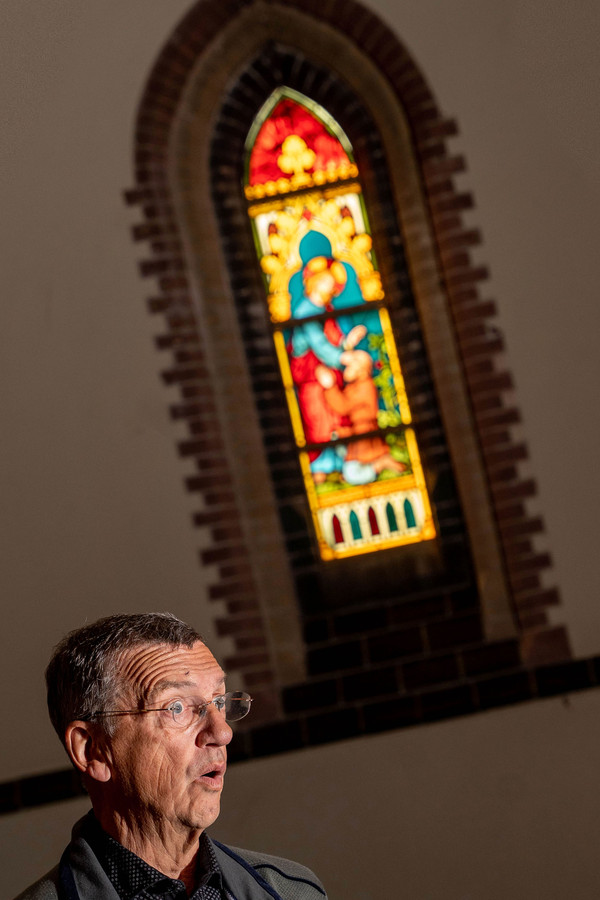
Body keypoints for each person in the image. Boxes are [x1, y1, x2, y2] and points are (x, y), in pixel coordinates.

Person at [14, 612, 327, 900]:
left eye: (218, 702)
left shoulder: (293, 890)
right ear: (92, 749)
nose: (222, 733)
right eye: (176, 707)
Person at [315, 351, 407, 485]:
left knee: (351, 472)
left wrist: (330, 386)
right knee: (338, 450)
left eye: (350, 366)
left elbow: (344, 406)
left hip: (364, 437)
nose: (346, 370)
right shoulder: (358, 385)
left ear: (362, 369)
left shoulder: (365, 385)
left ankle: (379, 464)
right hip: (359, 434)